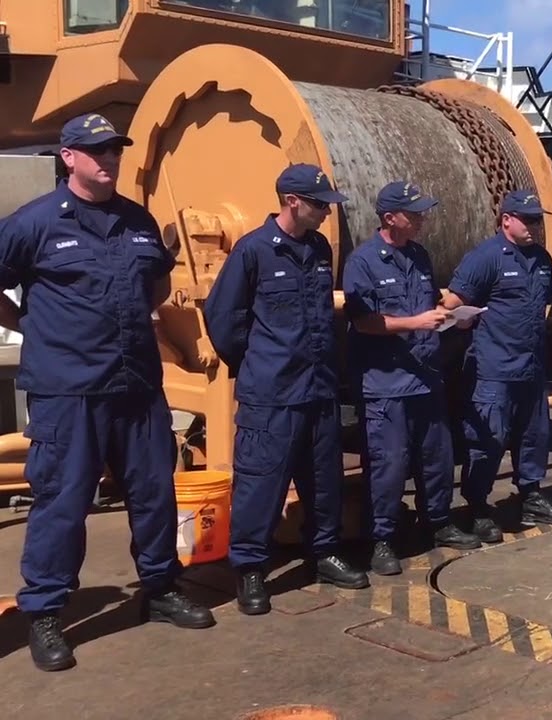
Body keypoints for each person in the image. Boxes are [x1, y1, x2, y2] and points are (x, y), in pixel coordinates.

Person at [0, 113, 214, 671]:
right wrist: (30, 325)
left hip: (137, 383)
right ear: (68, 157)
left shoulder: (137, 220)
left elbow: (159, 279)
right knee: (64, 502)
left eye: (114, 150)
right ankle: (47, 614)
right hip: (68, 389)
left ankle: (161, 588)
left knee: (153, 493)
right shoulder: (36, 223)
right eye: (96, 151)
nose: (108, 159)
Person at [203, 162, 370, 616]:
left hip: (317, 389)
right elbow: (222, 318)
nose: (325, 214)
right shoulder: (253, 251)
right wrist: (258, 363)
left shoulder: (317, 249)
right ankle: (251, 569)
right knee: (261, 484)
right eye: (319, 206)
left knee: (323, 481)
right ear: (292, 202)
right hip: (271, 394)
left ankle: (324, 552)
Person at [342, 181, 482, 576]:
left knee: (437, 458)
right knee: (389, 464)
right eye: (414, 213)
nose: (421, 219)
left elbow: (427, 306)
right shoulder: (363, 262)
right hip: (387, 383)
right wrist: (415, 322)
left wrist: (453, 319)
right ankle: (382, 539)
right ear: (390, 218)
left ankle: (437, 523)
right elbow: (363, 320)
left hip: (425, 377)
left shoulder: (419, 256)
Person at [443, 189, 552, 536]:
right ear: (506, 221)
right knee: (487, 440)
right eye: (527, 220)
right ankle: (477, 504)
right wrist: (461, 318)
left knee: (534, 435)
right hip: (494, 368)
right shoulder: (485, 258)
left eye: (536, 220)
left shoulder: (543, 261)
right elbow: (453, 302)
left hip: (530, 367)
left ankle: (530, 493)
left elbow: (543, 307)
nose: (534, 226)